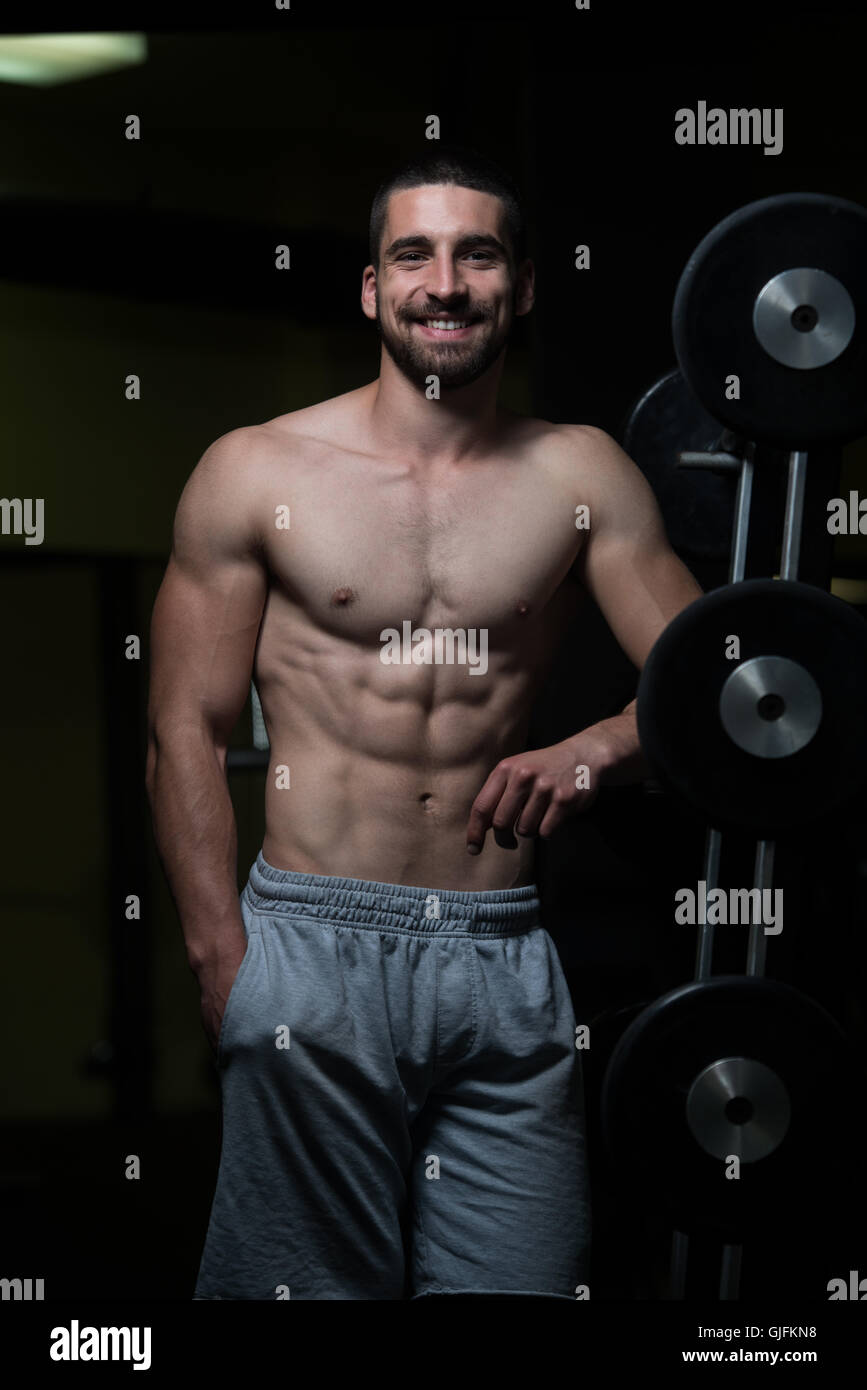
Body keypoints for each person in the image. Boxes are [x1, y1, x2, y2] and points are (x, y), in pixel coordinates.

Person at [145, 145, 702, 1300]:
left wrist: (600, 746)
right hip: (308, 945)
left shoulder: (582, 474)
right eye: (414, 254)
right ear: (372, 288)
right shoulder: (254, 471)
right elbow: (183, 730)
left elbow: (725, 686)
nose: (445, 282)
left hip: (499, 953)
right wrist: (224, 963)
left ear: (525, 285)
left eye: (478, 254)